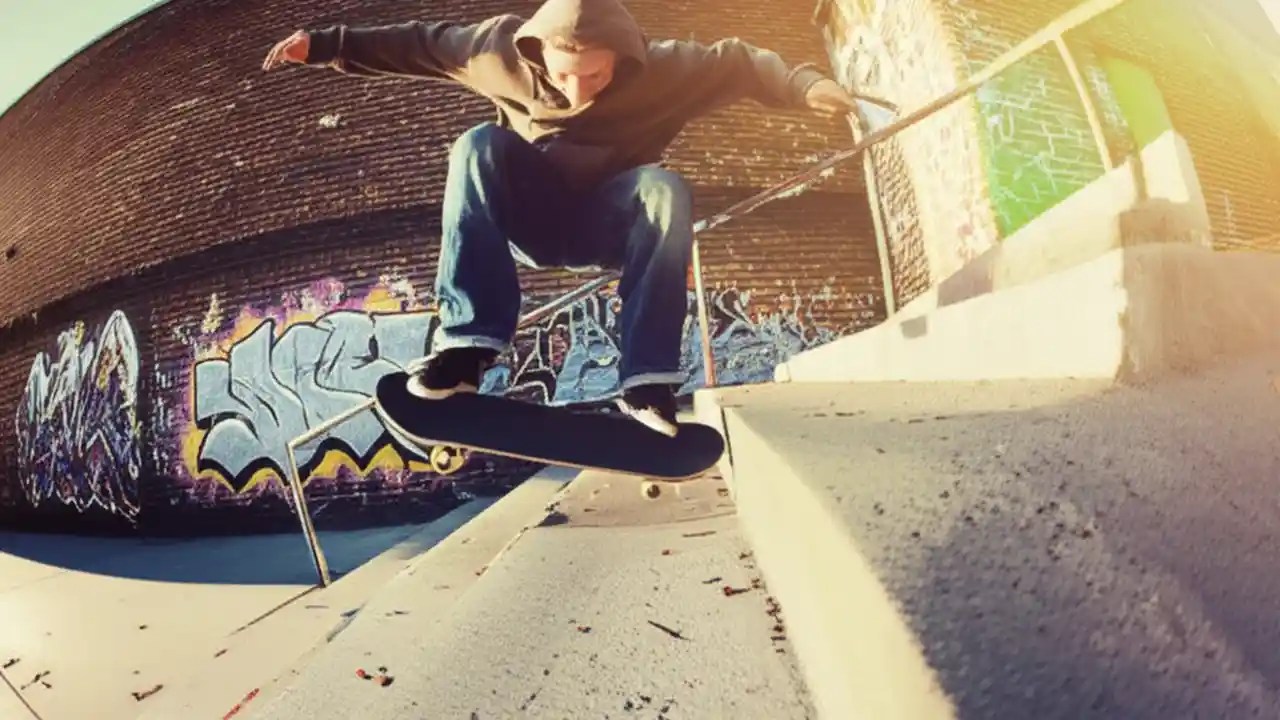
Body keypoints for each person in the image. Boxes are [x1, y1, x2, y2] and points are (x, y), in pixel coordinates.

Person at [263, 0, 859, 437]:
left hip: (611, 223)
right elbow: (418, 43)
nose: (578, 91)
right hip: (534, 219)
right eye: (564, 75)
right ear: (535, 52)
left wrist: (806, 86)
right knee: (477, 146)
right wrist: (325, 44)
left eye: (596, 76)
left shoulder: (666, 69)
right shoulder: (493, 50)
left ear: (623, 60)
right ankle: (467, 348)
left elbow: (740, 62)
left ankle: (646, 381)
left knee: (664, 188)